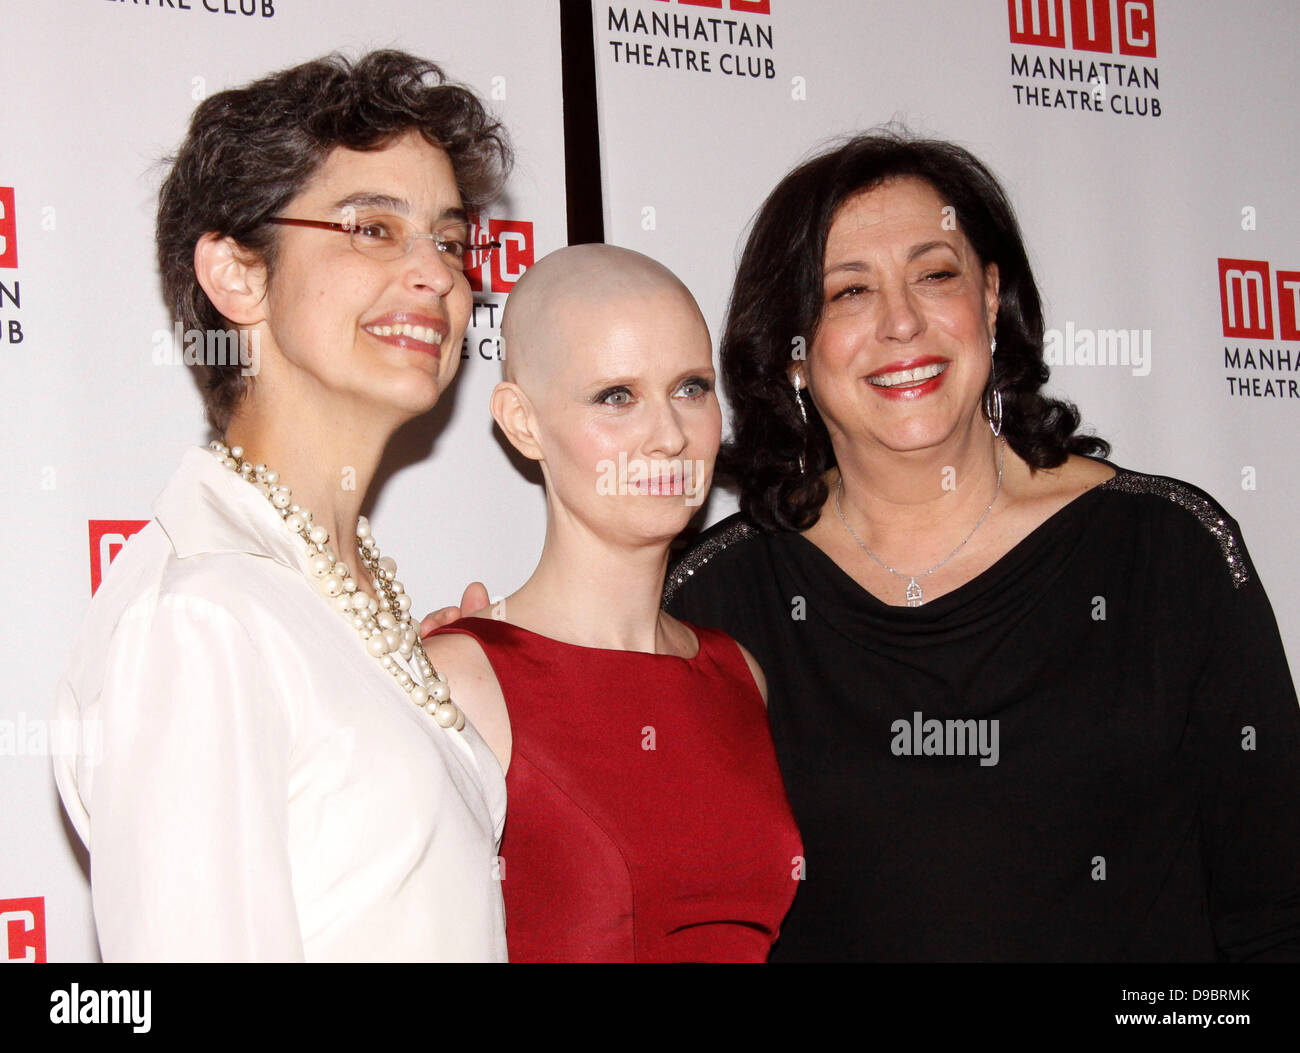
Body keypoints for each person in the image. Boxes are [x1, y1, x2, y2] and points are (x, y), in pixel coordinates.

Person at [659, 131, 1300, 961]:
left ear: (991, 299)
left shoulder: (1170, 551)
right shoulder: (718, 597)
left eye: (935, 274)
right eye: (848, 292)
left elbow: (1275, 913)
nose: (901, 322)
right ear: (792, 353)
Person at [53, 51, 513, 961]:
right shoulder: (200, 617)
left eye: (450, 239)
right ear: (237, 276)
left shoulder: (330, 594)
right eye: (374, 229)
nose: (437, 276)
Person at [423, 244, 802, 962]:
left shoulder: (738, 674)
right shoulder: (464, 682)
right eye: (617, 396)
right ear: (523, 421)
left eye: (691, 387)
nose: (668, 436)